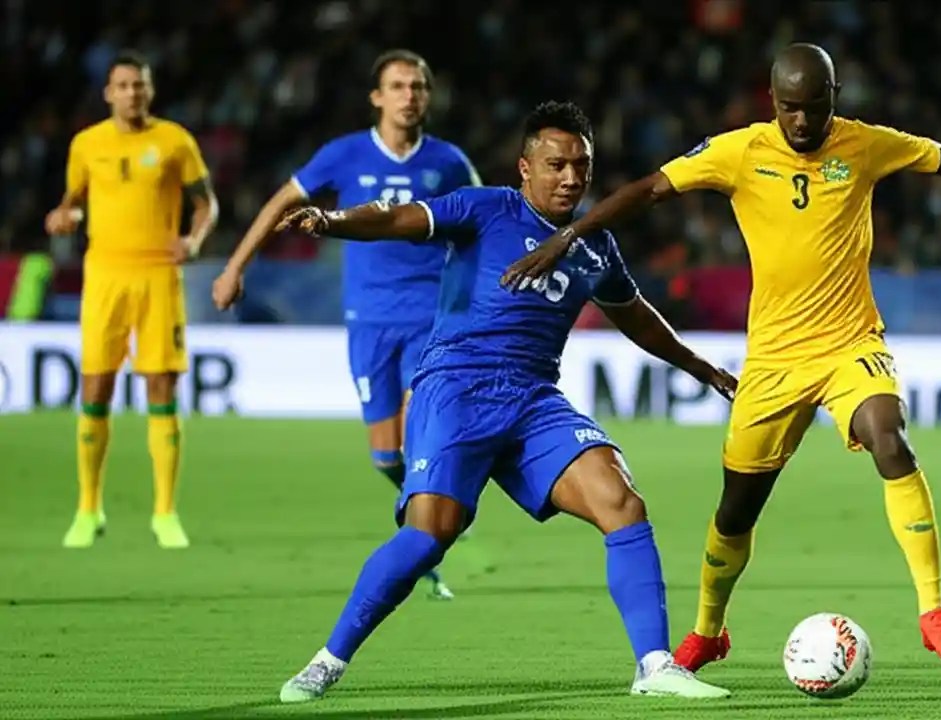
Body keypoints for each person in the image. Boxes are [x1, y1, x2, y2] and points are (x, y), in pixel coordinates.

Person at [501, 43, 941, 670]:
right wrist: (570, 236)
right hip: (771, 364)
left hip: (852, 345)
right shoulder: (739, 151)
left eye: (815, 107)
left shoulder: (865, 143)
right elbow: (650, 189)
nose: (802, 121)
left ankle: (934, 610)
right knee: (736, 510)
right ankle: (710, 630)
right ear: (773, 101)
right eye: (791, 108)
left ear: (835, 99)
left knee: (889, 436)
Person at [272, 101, 738, 702]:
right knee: (427, 537)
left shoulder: (595, 245)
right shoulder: (485, 208)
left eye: (581, 166)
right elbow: (394, 219)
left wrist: (703, 369)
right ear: (524, 167)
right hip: (456, 389)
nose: (570, 178)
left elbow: (639, 321)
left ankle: (655, 665)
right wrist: (330, 221)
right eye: (555, 164)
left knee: (621, 501)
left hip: (533, 399)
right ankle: (327, 660)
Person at [212, 49, 482, 599]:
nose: (409, 95)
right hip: (369, 321)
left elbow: (481, 221)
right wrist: (235, 265)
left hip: (432, 321)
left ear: (428, 96)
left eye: (418, 86)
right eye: (399, 86)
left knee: (418, 434)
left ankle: (426, 536)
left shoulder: (449, 162)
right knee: (387, 455)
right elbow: (280, 203)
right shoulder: (344, 155)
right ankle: (418, 517)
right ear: (377, 97)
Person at [48, 51, 219, 550]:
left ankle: (165, 512)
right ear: (108, 93)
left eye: (139, 85)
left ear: (150, 90)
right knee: (96, 385)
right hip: (105, 275)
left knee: (161, 387)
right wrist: (65, 216)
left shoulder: (174, 141)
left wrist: (192, 242)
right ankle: (88, 508)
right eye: (123, 85)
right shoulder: (86, 144)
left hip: (158, 276)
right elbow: (73, 202)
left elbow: (207, 203)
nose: (132, 93)